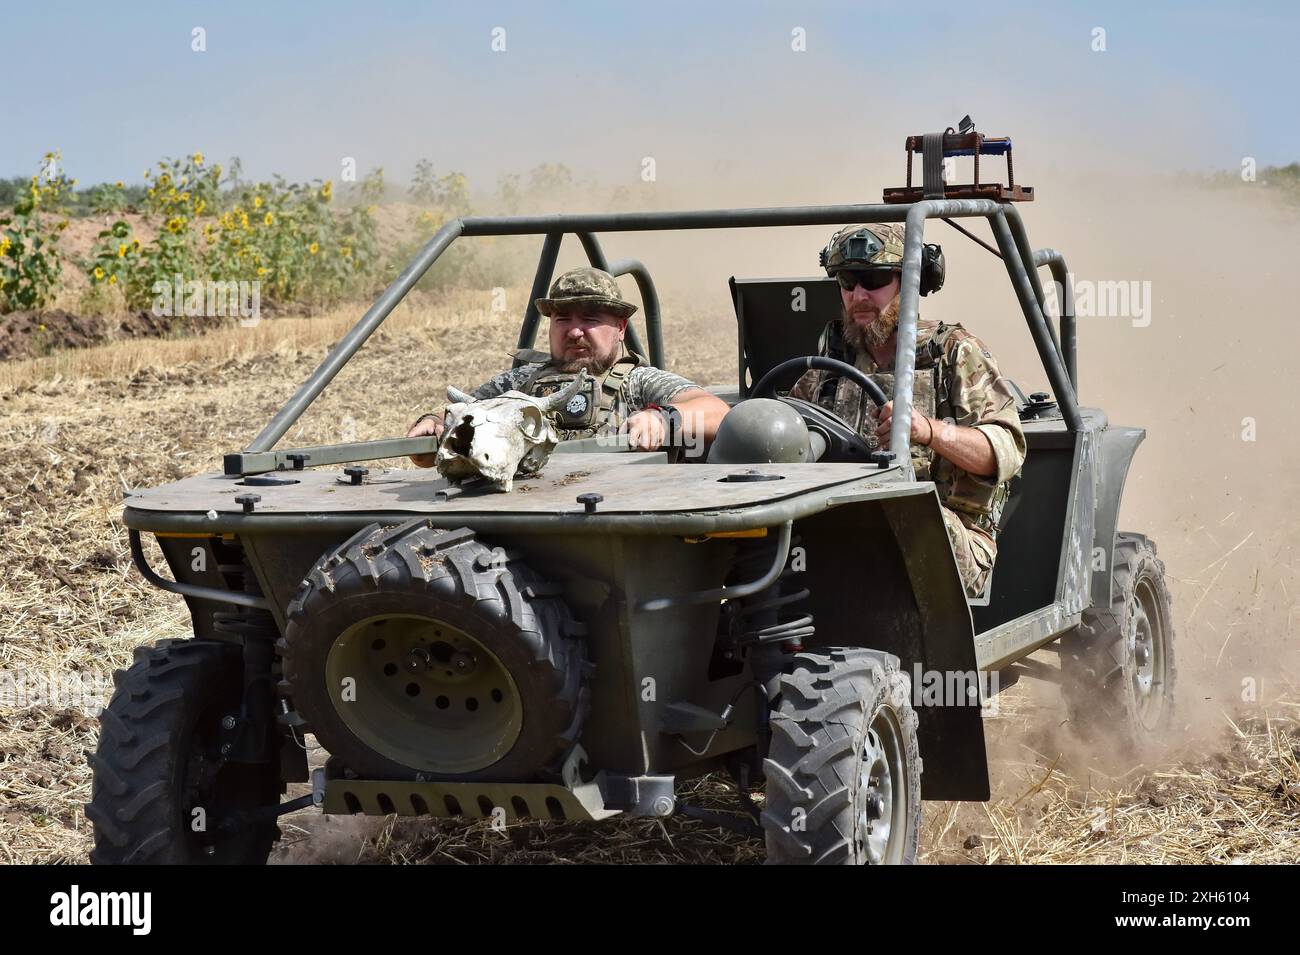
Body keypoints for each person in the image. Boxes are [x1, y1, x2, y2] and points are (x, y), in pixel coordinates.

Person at [790, 223, 1026, 596]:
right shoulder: (832, 361)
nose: (859, 295)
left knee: (908, 519)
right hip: (845, 524)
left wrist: (928, 431)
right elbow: (790, 431)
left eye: (874, 278)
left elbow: (1006, 450)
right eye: (848, 281)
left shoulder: (953, 354)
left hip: (947, 533)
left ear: (909, 283)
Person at [407, 267, 728, 464]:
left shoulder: (638, 383)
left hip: (620, 520)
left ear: (620, 329)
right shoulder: (521, 382)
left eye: (590, 319)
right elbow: (456, 415)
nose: (575, 331)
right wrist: (434, 424)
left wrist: (662, 419)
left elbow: (717, 413)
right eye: (562, 319)